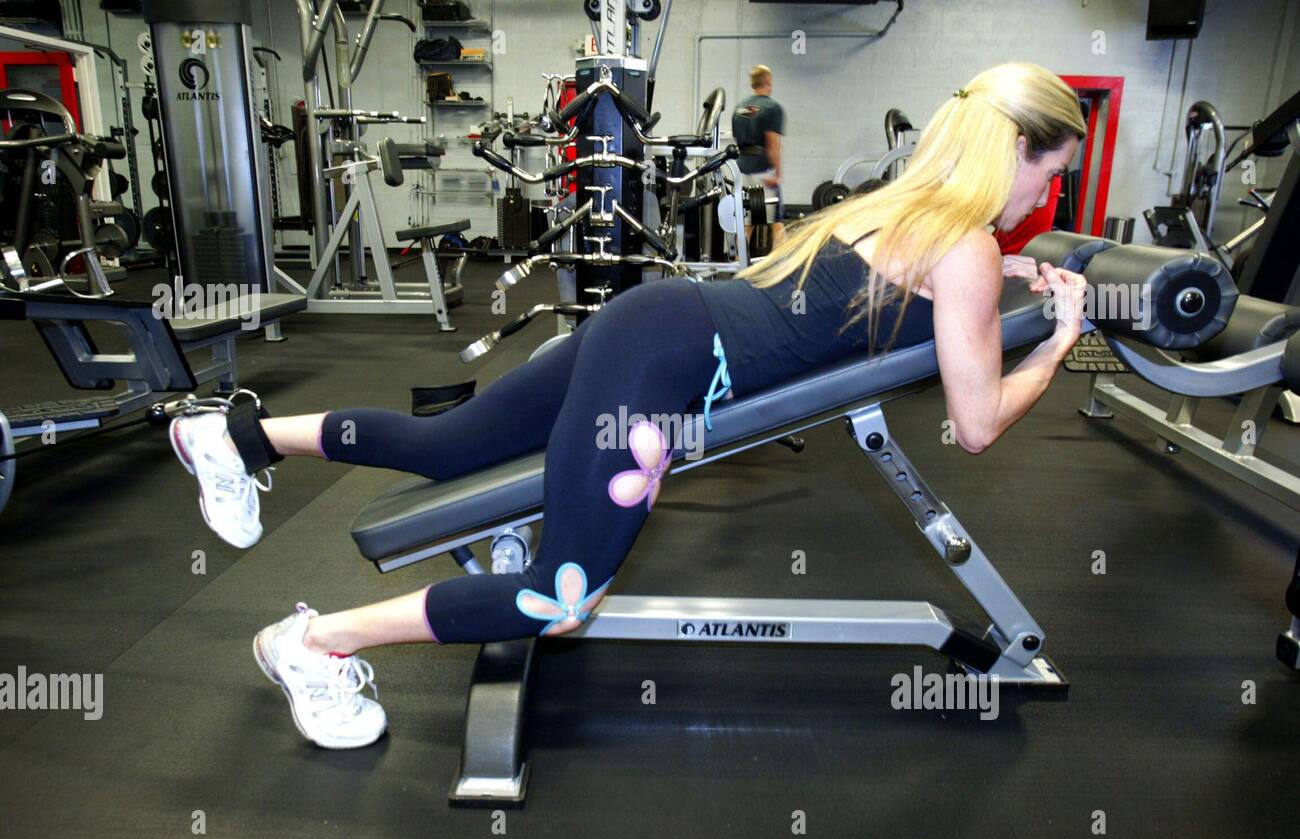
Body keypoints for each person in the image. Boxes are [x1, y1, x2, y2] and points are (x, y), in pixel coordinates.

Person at [170, 62, 1089, 749]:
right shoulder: (961, 245)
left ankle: (233, 433)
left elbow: (906, 292)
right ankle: (313, 641)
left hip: (650, 325)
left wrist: (1003, 269)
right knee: (560, 598)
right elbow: (976, 426)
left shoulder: (907, 213)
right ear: (1016, 148)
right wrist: (1056, 342)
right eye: (1050, 173)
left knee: (446, 445)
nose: (1045, 195)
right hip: (662, 368)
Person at [731, 64, 786, 245]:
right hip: (763, 172)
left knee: (748, 223)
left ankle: (737, 264)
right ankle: (783, 265)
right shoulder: (772, 108)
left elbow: (737, 138)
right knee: (775, 222)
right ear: (768, 82)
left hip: (740, 171)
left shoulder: (739, 108)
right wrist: (778, 174)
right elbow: (772, 144)